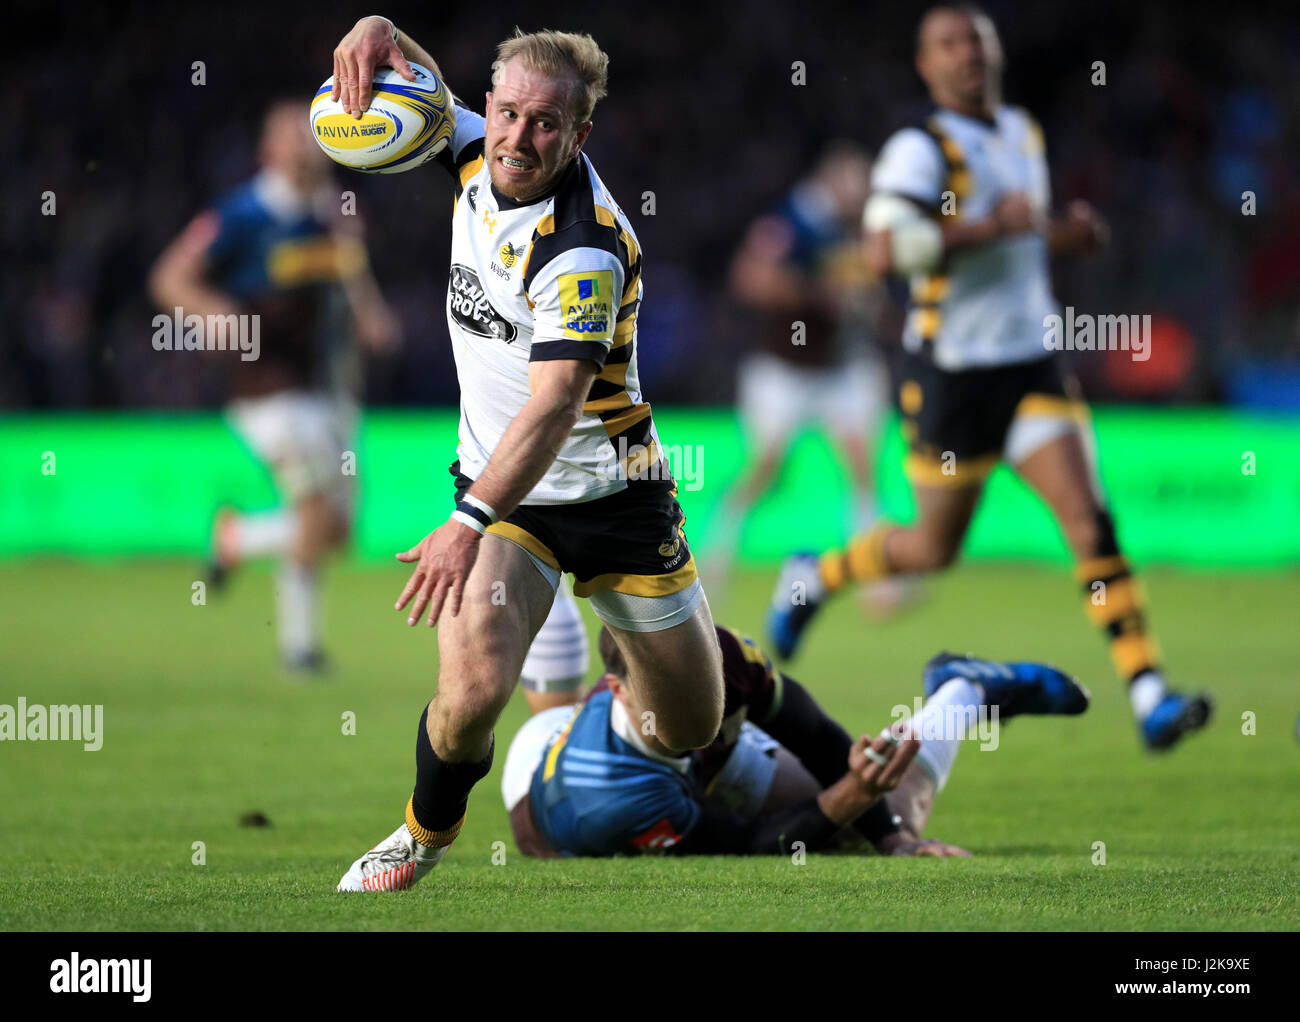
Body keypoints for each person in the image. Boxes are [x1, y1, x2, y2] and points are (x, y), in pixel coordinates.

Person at [330, 17, 725, 892]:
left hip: (616, 493)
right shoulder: (479, 151)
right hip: (511, 499)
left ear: (579, 134)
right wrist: (380, 30)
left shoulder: (583, 247)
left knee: (689, 727)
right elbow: (426, 89)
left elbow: (554, 408)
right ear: (490, 109)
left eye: (546, 123)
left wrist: (464, 524)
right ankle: (420, 837)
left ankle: (594, 703)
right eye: (506, 113)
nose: (518, 136)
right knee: (470, 695)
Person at [768, 4, 1211, 751]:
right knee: (932, 550)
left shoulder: (1020, 132)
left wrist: (1058, 230)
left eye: (977, 38)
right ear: (926, 65)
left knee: (1089, 520)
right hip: (952, 375)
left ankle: (1149, 692)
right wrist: (991, 227)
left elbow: (1019, 235)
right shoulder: (920, 148)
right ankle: (818, 571)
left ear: (996, 51)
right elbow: (883, 252)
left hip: (1030, 365)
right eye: (949, 43)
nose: (967, 53)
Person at [149, 99, 401, 673]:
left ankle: (236, 540)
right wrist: (215, 313)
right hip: (271, 392)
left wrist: (371, 315)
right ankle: (300, 649)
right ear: (268, 151)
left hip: (332, 390)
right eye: (293, 137)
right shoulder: (243, 213)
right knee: (312, 510)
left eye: (312, 136)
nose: (306, 146)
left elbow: (351, 276)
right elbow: (169, 276)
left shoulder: (334, 214)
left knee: (336, 531)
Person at [502, 621, 1089, 857]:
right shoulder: (616, 802)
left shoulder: (720, 658)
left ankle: (961, 686)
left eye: (694, 684)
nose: (691, 705)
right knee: (860, 819)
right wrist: (856, 795)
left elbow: (809, 729)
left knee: (882, 823)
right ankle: (963, 691)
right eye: (664, 695)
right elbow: (749, 842)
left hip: (658, 755)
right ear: (621, 691)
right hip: (562, 778)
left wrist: (889, 837)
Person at [710, 144, 904, 614]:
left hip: (843, 365)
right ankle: (713, 558)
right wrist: (818, 295)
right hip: (785, 368)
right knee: (766, 470)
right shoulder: (795, 221)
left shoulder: (868, 225)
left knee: (862, 466)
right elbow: (750, 278)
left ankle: (875, 581)